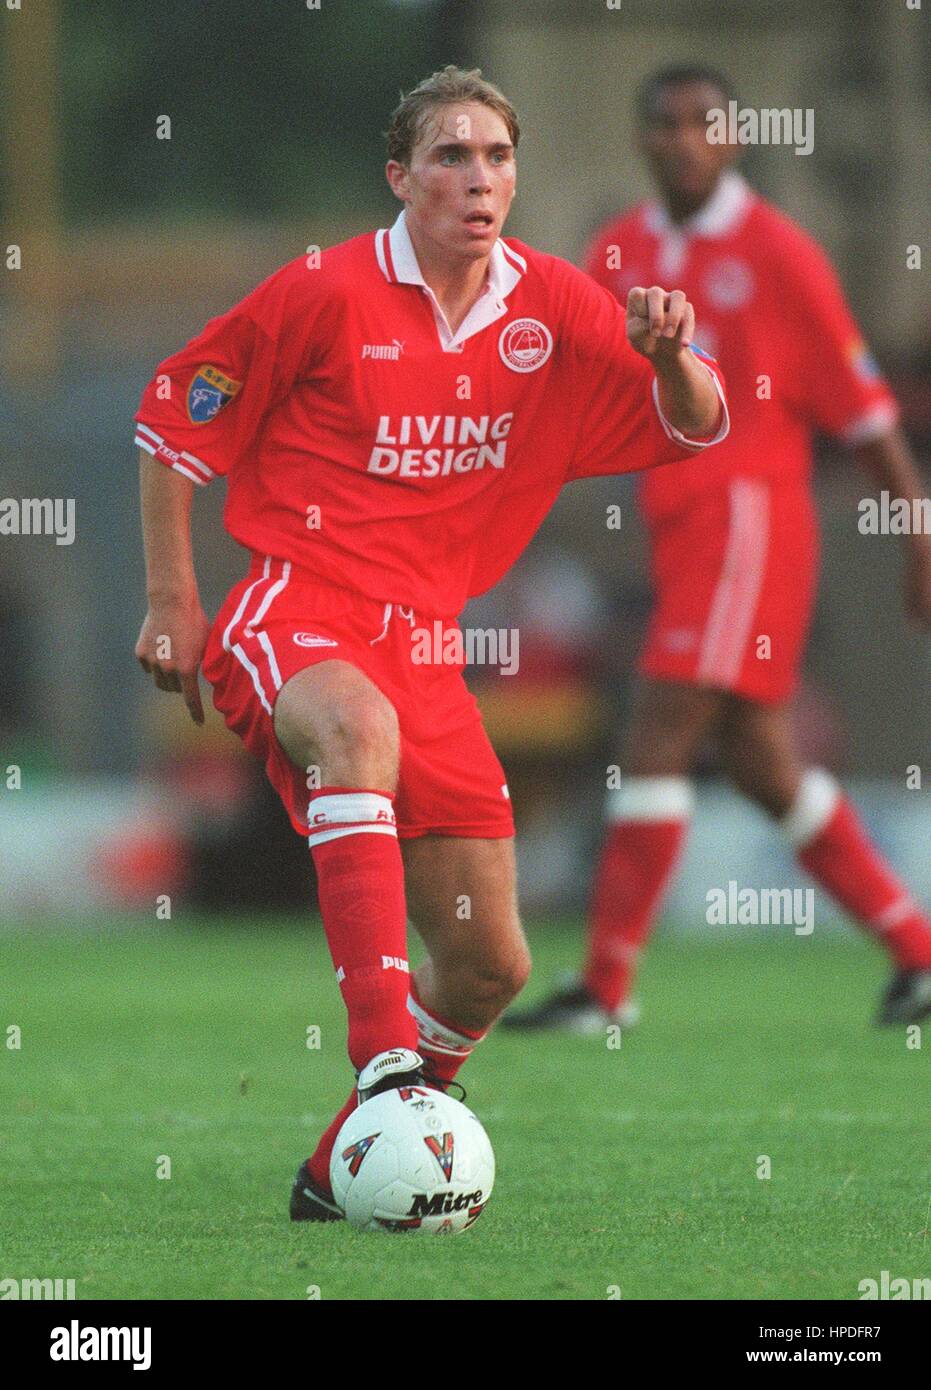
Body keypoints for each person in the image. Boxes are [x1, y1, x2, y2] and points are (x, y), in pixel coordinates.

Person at [132, 65, 727, 1222]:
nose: (478, 179)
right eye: (450, 157)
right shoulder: (323, 291)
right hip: (294, 602)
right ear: (399, 177)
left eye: (497, 158)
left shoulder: (548, 303)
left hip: (426, 646)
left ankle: (340, 1166)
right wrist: (172, 596)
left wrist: (665, 356)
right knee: (355, 729)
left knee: (494, 965)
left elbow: (697, 420)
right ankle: (383, 1064)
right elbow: (175, 413)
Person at [503, 65, 931, 1037]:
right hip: (678, 526)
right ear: (643, 138)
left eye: (704, 123)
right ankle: (918, 952)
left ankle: (603, 989)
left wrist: (915, 530)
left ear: (735, 137)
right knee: (759, 764)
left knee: (656, 726)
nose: (684, 139)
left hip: (749, 521)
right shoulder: (618, 250)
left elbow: (862, 412)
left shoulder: (779, 255)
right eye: (665, 123)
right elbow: (567, 380)